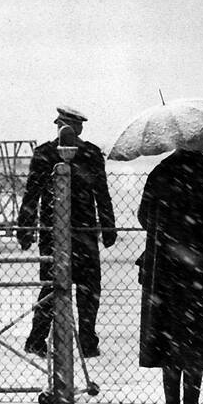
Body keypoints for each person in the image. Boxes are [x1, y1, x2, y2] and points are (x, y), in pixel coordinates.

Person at [137, 134, 203, 404]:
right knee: (196, 339)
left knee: (169, 339)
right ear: (197, 140)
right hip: (200, 271)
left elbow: (143, 217)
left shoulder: (160, 172)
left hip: (165, 271)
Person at [17, 106, 117, 358]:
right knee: (66, 289)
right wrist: (25, 229)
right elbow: (33, 193)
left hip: (71, 232)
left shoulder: (76, 154)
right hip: (70, 232)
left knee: (73, 290)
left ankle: (77, 341)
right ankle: (46, 340)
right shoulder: (77, 154)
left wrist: (108, 227)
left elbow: (101, 193)